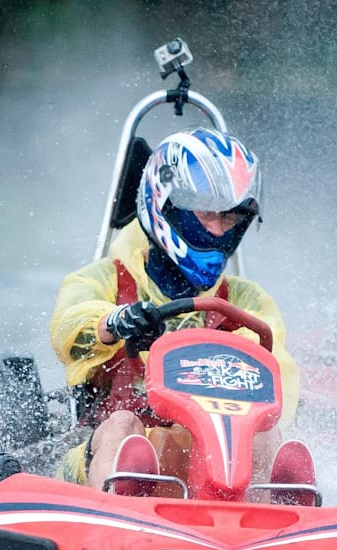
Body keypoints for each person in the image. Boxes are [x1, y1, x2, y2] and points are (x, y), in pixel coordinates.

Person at [50, 127, 304, 498]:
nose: (219, 231)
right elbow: (68, 326)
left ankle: (279, 527)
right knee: (124, 428)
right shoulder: (105, 278)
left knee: (267, 435)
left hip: (210, 462)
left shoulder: (246, 300)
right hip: (104, 448)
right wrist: (114, 323)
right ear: (168, 206)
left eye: (230, 220)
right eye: (207, 214)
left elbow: (278, 374)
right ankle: (117, 511)